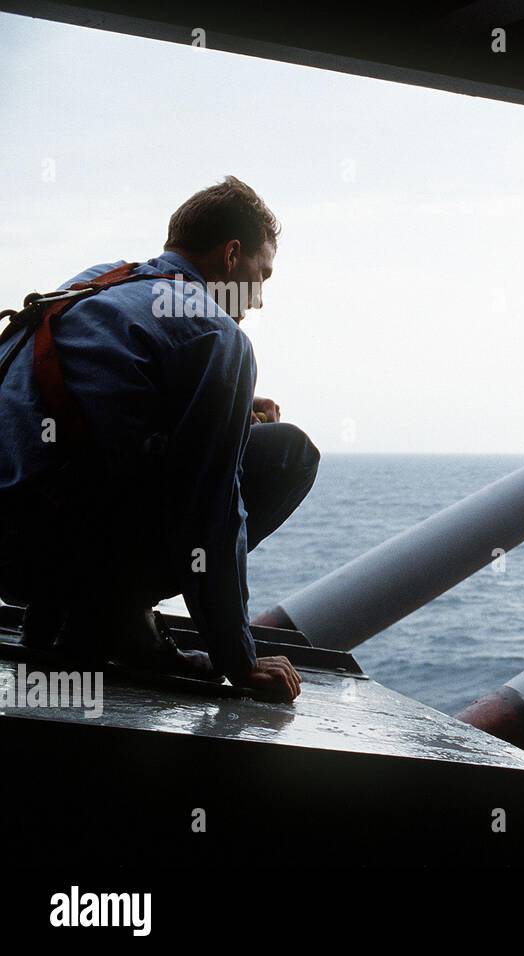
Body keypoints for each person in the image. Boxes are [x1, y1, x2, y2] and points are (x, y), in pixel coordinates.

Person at [0, 176, 314, 701]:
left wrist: (235, 410)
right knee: (288, 453)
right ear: (232, 255)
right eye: (262, 276)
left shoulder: (98, 282)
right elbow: (210, 512)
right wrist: (239, 660)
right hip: (55, 557)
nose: (258, 301)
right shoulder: (218, 334)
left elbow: (103, 410)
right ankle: (112, 617)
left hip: (10, 551)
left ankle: (96, 619)